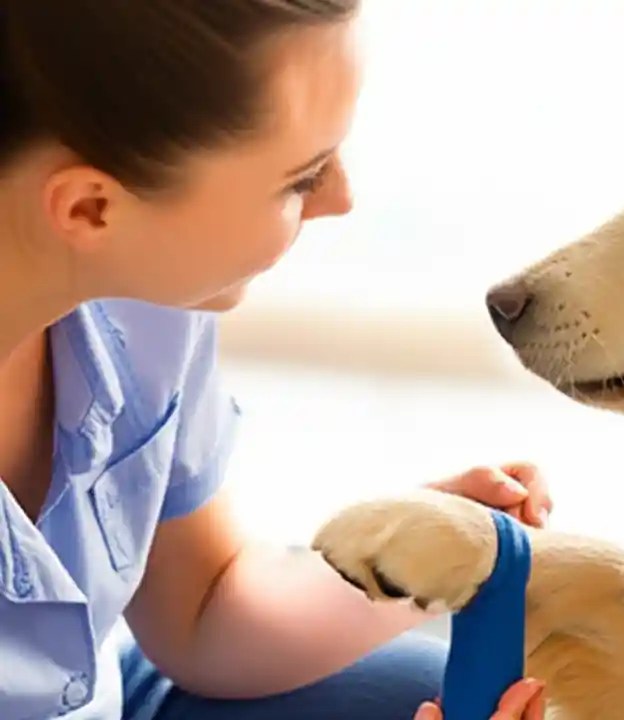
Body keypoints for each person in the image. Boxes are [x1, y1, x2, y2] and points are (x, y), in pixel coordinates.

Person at [0, 2, 550, 719]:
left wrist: (412, 558)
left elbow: (203, 606)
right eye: (302, 177)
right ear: (90, 209)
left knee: (413, 689)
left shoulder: (146, 297)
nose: (341, 198)